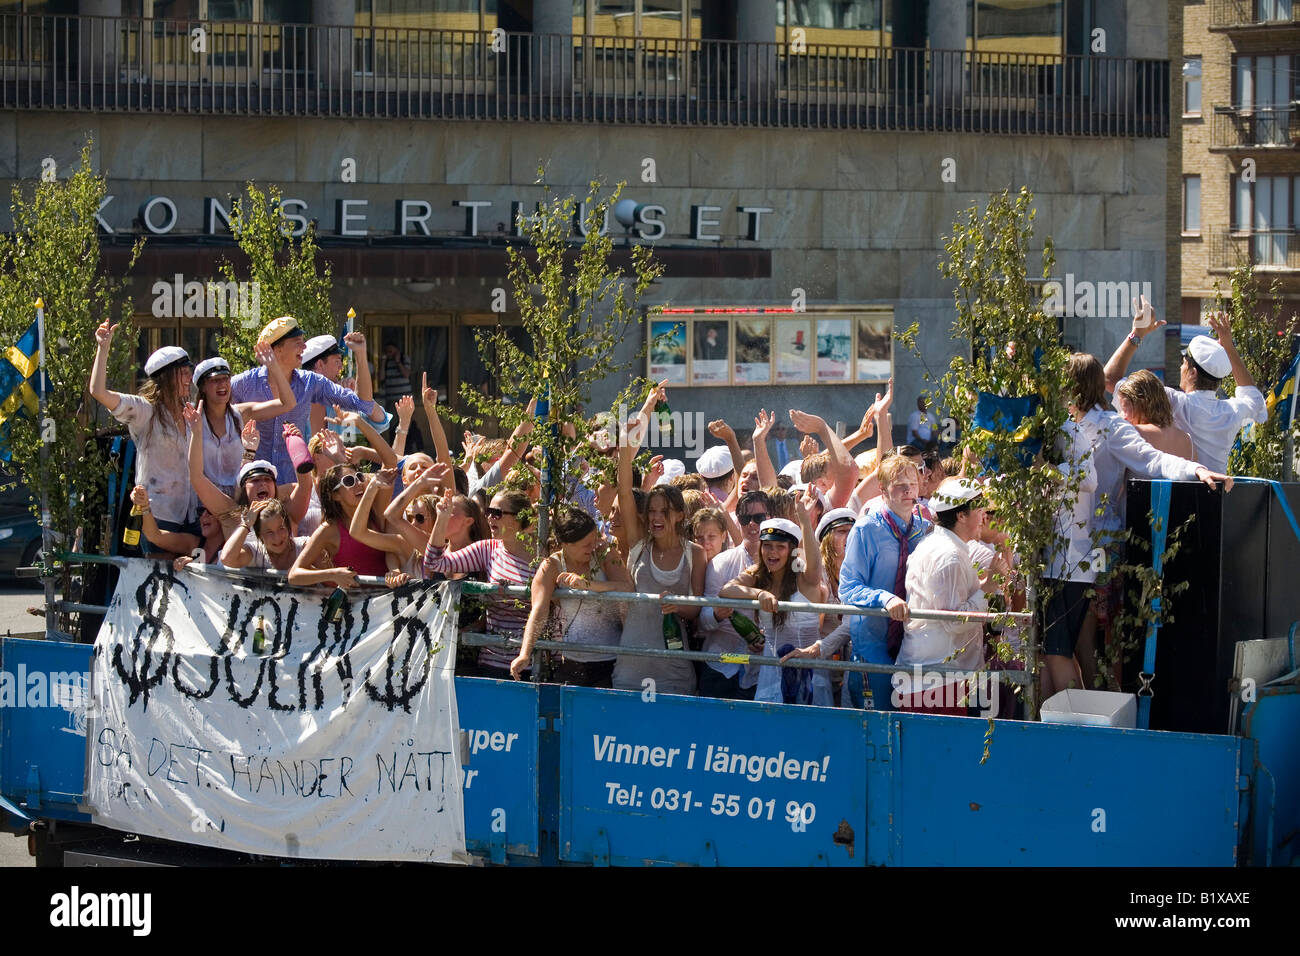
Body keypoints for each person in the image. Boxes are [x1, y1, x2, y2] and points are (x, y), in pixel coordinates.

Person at [613, 382, 704, 697]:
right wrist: (648, 408)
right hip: (630, 667)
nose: (656, 518)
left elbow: (697, 611)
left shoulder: (696, 553)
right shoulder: (639, 543)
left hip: (675, 672)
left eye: (664, 512)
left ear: (680, 514)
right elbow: (624, 485)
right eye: (652, 511)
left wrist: (676, 605)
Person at [1104, 301, 1266, 474]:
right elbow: (1254, 398)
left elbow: (1108, 379)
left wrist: (1137, 334)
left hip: (1177, 491)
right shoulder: (1232, 411)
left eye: (1183, 363)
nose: (1180, 368)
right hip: (1217, 494)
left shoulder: (1175, 401)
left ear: (1192, 372)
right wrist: (1228, 346)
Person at [230, 316, 387, 481]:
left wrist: (361, 355)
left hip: (295, 487)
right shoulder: (242, 384)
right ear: (277, 349)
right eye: (297, 342)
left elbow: (363, 403)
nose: (304, 347)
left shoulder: (311, 382)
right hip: (253, 485)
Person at [893, 478, 1002, 715]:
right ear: (961, 516)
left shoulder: (939, 545)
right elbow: (953, 620)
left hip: (938, 678)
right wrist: (988, 588)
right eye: (979, 510)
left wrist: (984, 584)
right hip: (938, 681)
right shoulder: (949, 555)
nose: (984, 517)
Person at [88, 324, 198, 549]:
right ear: (167, 376)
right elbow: (98, 392)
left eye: (190, 371)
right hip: (156, 515)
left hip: (189, 515)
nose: (189, 377)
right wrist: (103, 348)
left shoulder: (190, 411)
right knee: (158, 580)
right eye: (184, 372)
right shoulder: (145, 411)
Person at [838, 454, 931, 711]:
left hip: (913, 647)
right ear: (882, 490)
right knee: (874, 727)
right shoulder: (866, 529)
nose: (907, 490)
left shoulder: (925, 530)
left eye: (912, 483)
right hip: (873, 648)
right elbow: (847, 587)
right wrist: (884, 598)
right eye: (899, 484)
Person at [719, 506, 829, 707]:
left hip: (808, 673)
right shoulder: (757, 574)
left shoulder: (804, 578)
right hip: (771, 674)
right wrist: (759, 593)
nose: (773, 552)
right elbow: (726, 590)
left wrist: (804, 520)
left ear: (792, 551)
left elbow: (815, 567)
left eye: (780, 546)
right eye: (767, 546)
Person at [511, 507, 633, 686]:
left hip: (613, 659)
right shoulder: (551, 565)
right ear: (566, 543)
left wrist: (588, 585)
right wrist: (525, 653)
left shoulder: (604, 552)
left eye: (595, 540)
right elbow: (539, 610)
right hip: (571, 660)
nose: (593, 547)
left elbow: (628, 589)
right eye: (586, 544)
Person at [423, 488, 538, 677]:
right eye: (488, 512)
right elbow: (434, 563)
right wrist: (442, 519)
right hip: (492, 660)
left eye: (497, 513)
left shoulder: (544, 553)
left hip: (535, 663)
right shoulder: (488, 549)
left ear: (519, 518)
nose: (490, 518)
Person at [694, 490, 772, 700]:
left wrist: (767, 638)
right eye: (746, 518)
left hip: (765, 668)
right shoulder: (720, 563)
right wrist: (717, 615)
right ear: (738, 520)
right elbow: (703, 620)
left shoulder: (784, 562)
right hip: (722, 663)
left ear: (770, 517)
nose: (752, 524)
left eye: (759, 518)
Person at [192, 351, 295, 498]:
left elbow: (288, 403)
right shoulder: (193, 419)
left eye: (226, 379)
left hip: (238, 497)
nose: (222, 384)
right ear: (202, 387)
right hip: (204, 503)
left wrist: (274, 368)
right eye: (215, 380)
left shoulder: (240, 414)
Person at [289, 464, 392, 588]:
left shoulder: (376, 511)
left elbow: (391, 461)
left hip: (390, 602)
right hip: (355, 604)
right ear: (335, 495)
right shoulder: (329, 530)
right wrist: (331, 575)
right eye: (349, 481)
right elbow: (294, 575)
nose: (358, 483)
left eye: (359, 477)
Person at [1114, 369, 1195, 459]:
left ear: (1142, 404)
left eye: (1124, 409)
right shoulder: (1188, 440)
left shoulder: (1134, 433)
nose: (1122, 416)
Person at [220, 498, 312, 572]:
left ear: (288, 527)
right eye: (269, 532)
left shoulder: (305, 547)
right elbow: (227, 559)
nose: (277, 537)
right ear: (259, 535)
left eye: (281, 528)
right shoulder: (256, 552)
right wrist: (246, 524)